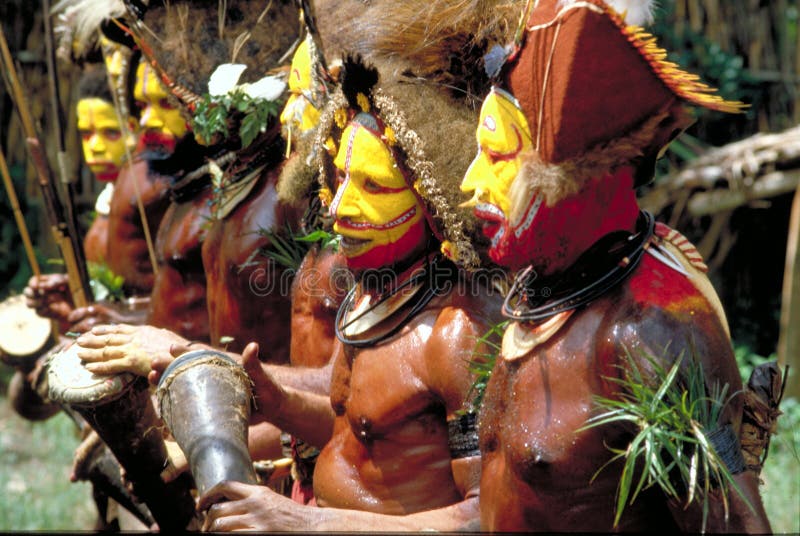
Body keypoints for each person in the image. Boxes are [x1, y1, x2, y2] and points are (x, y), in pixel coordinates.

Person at [455, 0, 773, 531]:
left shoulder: (651, 334)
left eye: (497, 156)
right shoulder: (536, 297)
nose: (470, 182)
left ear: (569, 171)